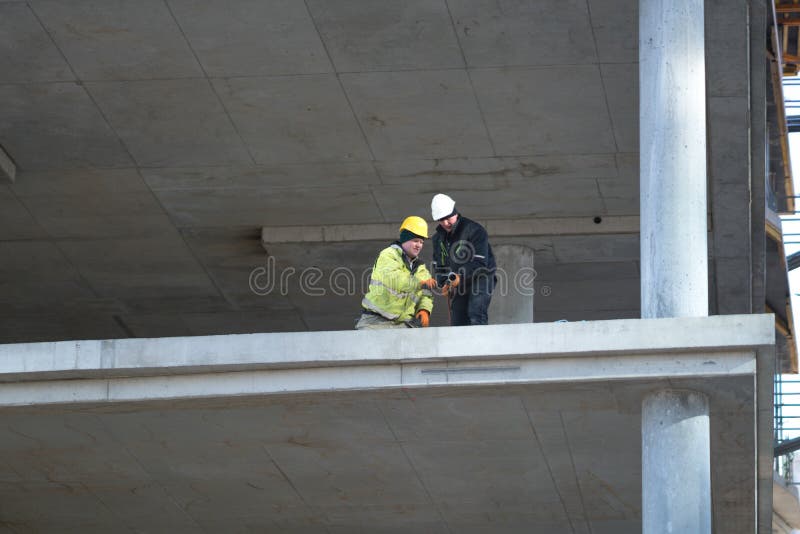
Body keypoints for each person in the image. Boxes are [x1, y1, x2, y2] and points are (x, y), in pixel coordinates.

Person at [355, 216, 437, 329]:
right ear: (405, 239)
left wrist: (424, 309)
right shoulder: (389, 255)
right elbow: (394, 279)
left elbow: (426, 294)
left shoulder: (420, 268)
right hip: (376, 321)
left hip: (403, 324)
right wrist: (420, 283)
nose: (419, 245)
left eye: (421, 242)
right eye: (415, 241)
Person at [430, 193, 496, 326]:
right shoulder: (438, 239)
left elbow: (480, 263)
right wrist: (443, 282)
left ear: (455, 212)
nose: (445, 223)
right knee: (458, 320)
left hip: (481, 277)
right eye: (441, 220)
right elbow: (439, 264)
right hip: (459, 283)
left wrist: (459, 275)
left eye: (448, 218)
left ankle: (479, 345)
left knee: (476, 313)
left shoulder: (474, 230)